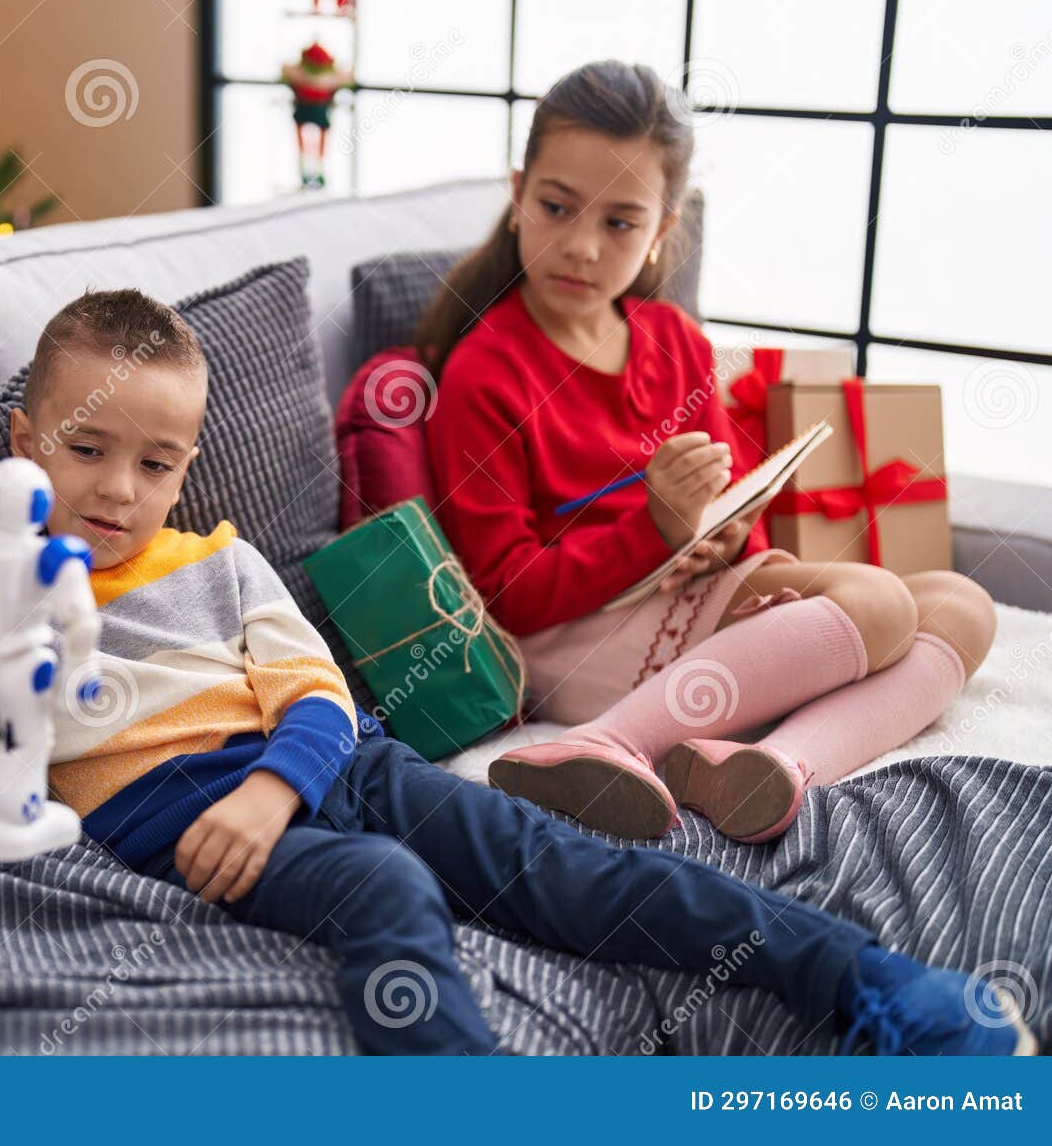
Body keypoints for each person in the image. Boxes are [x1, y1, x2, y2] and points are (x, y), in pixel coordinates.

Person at [0, 287, 1032, 1056]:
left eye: (155, 462)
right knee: (383, 884)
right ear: (25, 443)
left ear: (186, 468)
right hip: (186, 822)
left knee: (574, 867)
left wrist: (277, 783)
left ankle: (867, 979)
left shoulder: (222, 562)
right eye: (86, 449)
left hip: (334, 766)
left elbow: (318, 697)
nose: (117, 489)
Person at [420, 60, 995, 845]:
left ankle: (771, 768)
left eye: (620, 223)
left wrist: (727, 544)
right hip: (574, 632)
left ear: (661, 232)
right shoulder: (485, 370)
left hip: (688, 597)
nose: (581, 246)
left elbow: (734, 514)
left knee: (962, 605)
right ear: (517, 194)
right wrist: (655, 528)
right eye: (556, 207)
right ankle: (605, 742)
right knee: (882, 605)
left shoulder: (677, 343)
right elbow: (506, 592)